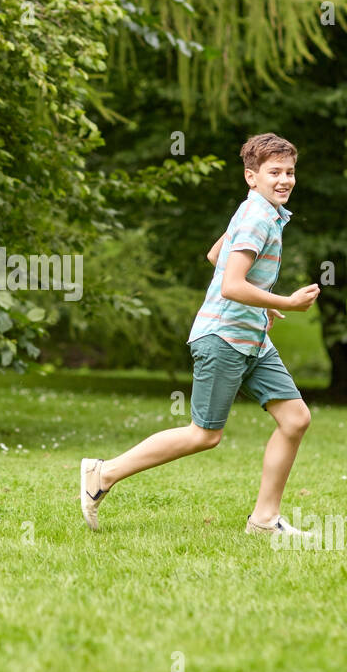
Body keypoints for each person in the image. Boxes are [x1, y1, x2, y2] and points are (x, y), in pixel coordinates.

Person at [80, 133, 319, 534]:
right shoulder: (258, 217)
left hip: (253, 340)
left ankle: (264, 520)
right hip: (223, 338)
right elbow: (230, 285)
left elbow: (216, 256)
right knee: (205, 435)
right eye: (274, 172)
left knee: (294, 419)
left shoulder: (256, 212)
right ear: (251, 176)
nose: (284, 180)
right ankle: (103, 474)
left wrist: (264, 303)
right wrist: (287, 301)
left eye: (290, 172)